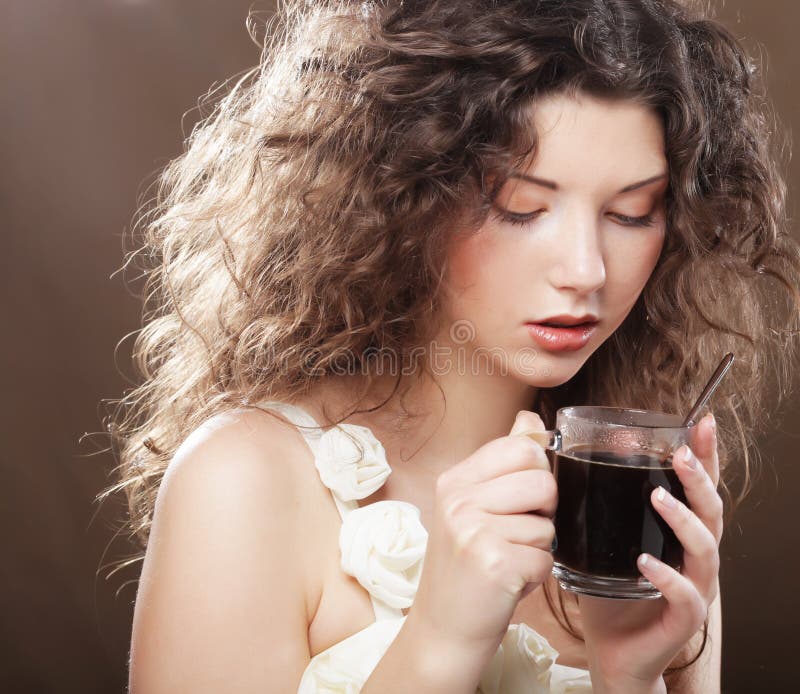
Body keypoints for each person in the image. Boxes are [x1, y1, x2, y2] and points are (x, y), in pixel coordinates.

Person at [104, 0, 800, 692]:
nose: (586, 270)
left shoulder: (645, 511)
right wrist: (440, 641)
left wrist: (631, 680)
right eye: (522, 208)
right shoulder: (244, 481)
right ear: (408, 193)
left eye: (631, 213)